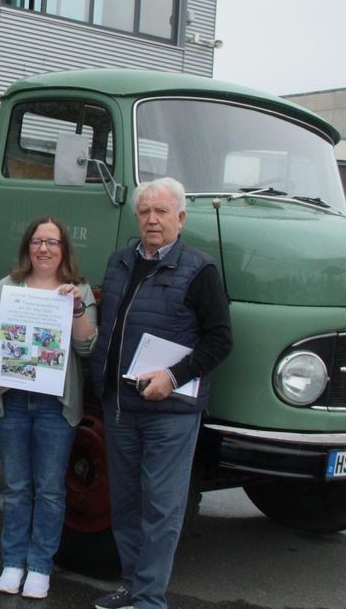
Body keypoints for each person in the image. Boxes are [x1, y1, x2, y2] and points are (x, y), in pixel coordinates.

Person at [88, 177, 232, 609]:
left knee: (161, 509)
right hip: (119, 408)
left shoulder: (200, 270)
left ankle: (150, 600)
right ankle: (132, 586)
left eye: (162, 211)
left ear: (180, 218)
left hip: (168, 412)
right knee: (126, 504)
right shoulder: (118, 263)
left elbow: (220, 340)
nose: (152, 219)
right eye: (145, 212)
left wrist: (172, 376)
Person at [0, 216, 97, 600]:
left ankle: (40, 566)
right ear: (28, 247)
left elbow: (87, 347)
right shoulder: (7, 287)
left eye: (52, 242)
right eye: (37, 241)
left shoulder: (77, 290)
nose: (44, 248)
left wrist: (76, 309)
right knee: (15, 487)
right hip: (11, 400)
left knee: (49, 490)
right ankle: (13, 562)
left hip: (55, 406)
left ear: (64, 249)